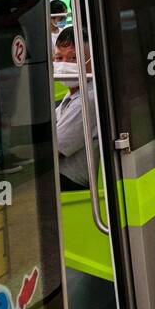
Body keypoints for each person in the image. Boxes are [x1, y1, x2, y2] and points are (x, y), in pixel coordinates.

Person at [53, 24, 98, 191]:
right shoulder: (74, 93)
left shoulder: (87, 100)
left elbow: (55, 150)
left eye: (73, 58)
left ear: (91, 60)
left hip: (71, 178)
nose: (64, 66)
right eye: (58, 58)